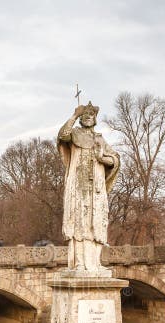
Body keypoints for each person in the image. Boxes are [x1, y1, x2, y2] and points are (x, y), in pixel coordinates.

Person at [57, 102, 120, 273]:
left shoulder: (99, 139)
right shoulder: (74, 134)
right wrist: (73, 116)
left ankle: (95, 263)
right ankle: (79, 264)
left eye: (90, 116)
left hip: (96, 189)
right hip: (78, 186)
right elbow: (63, 135)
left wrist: (102, 158)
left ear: (95, 120)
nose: (87, 118)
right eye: (84, 116)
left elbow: (115, 160)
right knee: (78, 223)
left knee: (96, 223)